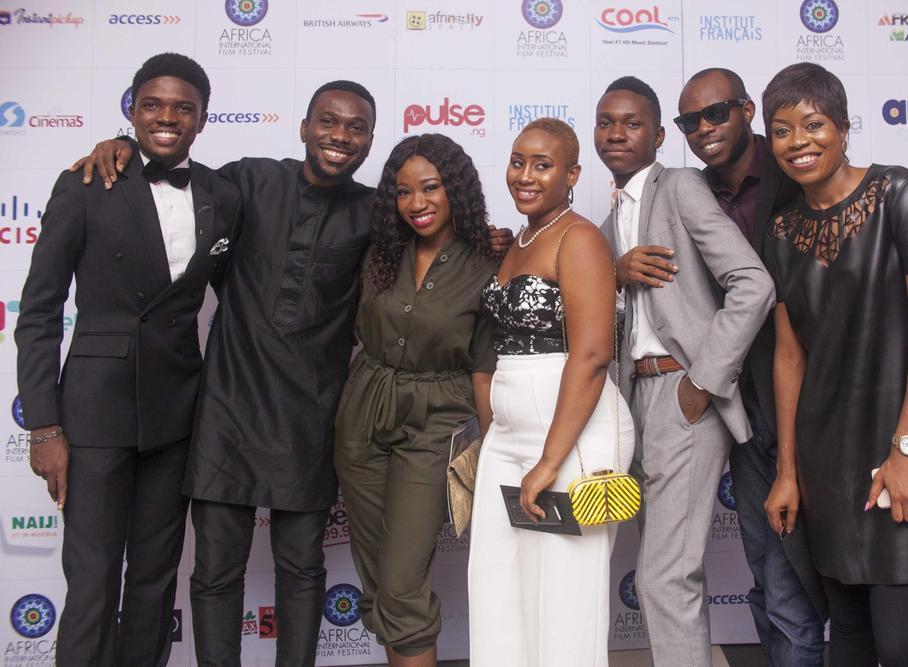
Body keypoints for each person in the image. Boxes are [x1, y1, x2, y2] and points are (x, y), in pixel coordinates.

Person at [72, 91, 512, 666]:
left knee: (302, 569)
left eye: (357, 128)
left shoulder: (375, 218)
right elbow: (176, 186)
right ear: (304, 127)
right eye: (328, 122)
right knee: (215, 571)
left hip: (312, 415)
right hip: (228, 406)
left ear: (370, 141)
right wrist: (123, 147)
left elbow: (443, 247)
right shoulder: (248, 181)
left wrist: (496, 241)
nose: (340, 135)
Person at [674, 68, 908, 665]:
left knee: (905, 642)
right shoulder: (782, 232)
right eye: (783, 130)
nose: (798, 141)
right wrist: (787, 471)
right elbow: (788, 356)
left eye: (814, 125)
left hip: (899, 446)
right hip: (824, 461)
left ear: (842, 128)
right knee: (852, 640)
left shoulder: (898, 194)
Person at [15, 52, 241, 666]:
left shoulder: (223, 194)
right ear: (132, 110)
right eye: (152, 106)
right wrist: (44, 425)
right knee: (90, 586)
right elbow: (37, 312)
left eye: (182, 108)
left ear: (202, 118)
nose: (166, 118)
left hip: (175, 417)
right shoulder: (85, 182)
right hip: (93, 416)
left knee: (153, 583)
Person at [594, 76, 774, 667]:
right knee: (667, 574)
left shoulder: (680, 190)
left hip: (681, 392)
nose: (617, 133)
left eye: (632, 122)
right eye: (606, 122)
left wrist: (703, 381)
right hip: (633, 399)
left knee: (665, 579)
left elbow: (753, 284)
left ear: (657, 136)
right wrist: (612, 274)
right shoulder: (608, 219)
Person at [468, 118, 634, 667]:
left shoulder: (580, 238)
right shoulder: (518, 241)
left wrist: (549, 460)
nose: (526, 175)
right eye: (518, 162)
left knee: (567, 598)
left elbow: (591, 356)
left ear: (573, 174)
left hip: (571, 433)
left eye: (543, 165)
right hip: (509, 433)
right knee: (496, 587)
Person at [333, 134, 498, 666]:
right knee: (379, 578)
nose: (417, 203)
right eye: (404, 192)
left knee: (402, 582)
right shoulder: (380, 252)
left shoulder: (491, 261)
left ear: (457, 190)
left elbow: (485, 363)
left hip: (437, 420)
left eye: (430, 188)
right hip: (363, 411)